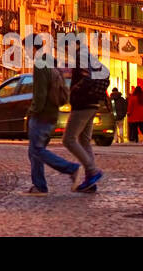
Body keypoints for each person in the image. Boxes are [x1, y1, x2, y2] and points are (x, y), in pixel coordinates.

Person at [22, 55, 78, 195]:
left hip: (42, 115)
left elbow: (40, 95)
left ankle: (71, 168)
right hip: (52, 114)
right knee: (34, 152)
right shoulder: (53, 67)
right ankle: (39, 186)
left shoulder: (40, 66)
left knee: (37, 150)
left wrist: (32, 111)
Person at [62, 57, 107, 194]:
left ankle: (92, 171)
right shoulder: (89, 58)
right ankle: (90, 180)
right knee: (84, 140)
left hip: (83, 105)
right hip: (93, 104)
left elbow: (87, 79)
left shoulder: (80, 58)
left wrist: (75, 90)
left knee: (68, 139)